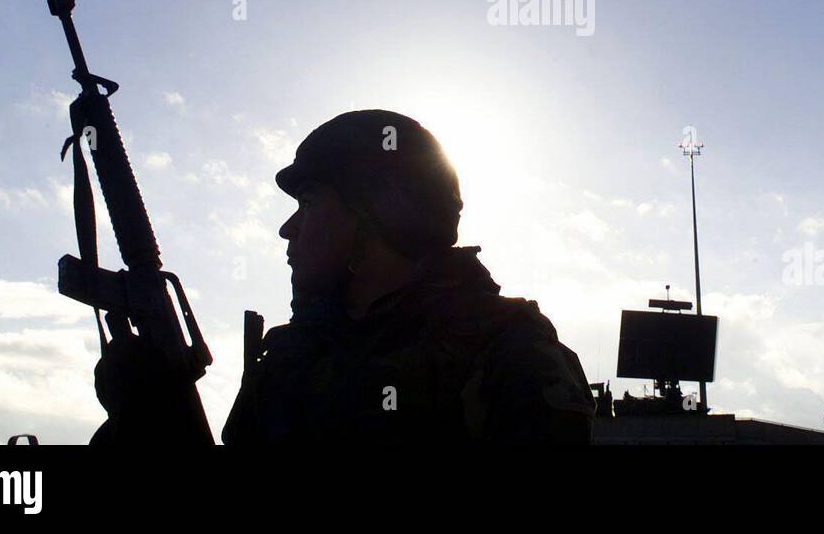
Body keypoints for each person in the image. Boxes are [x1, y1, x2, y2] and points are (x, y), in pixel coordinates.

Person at [92, 110, 595, 444]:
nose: (287, 229)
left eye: (309, 203)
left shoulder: (508, 353)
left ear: (377, 215)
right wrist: (150, 422)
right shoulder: (294, 356)